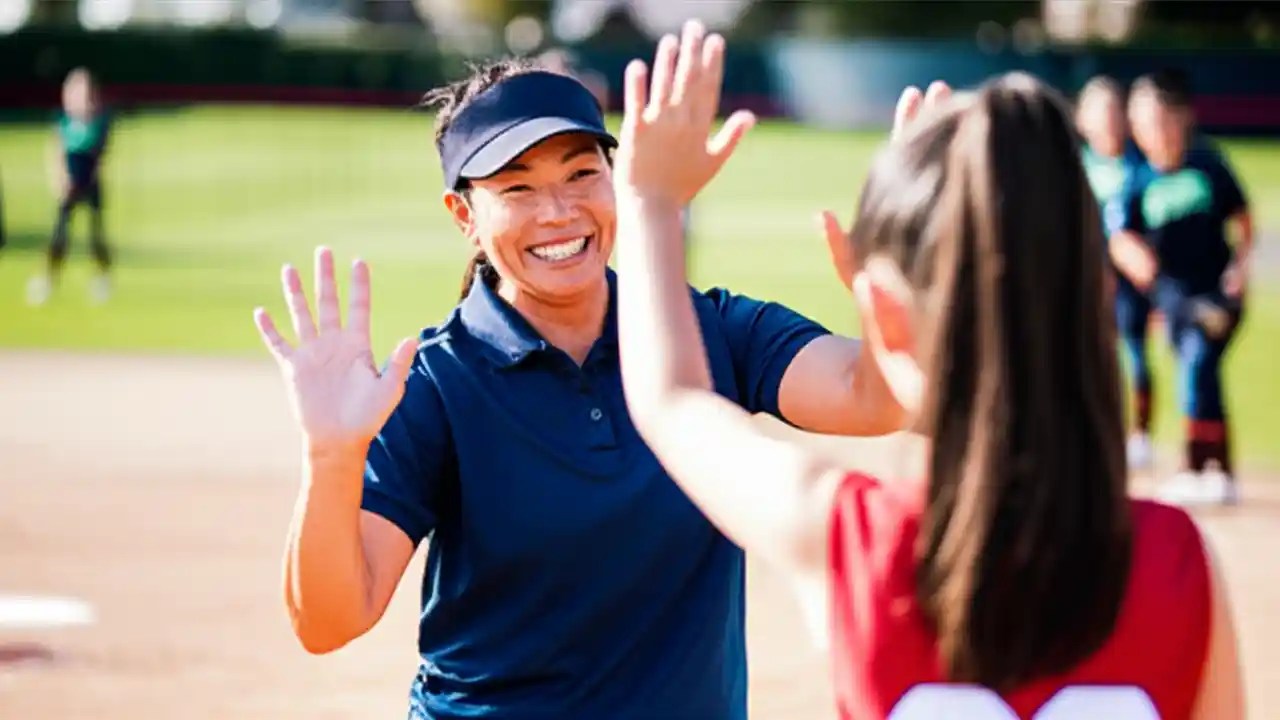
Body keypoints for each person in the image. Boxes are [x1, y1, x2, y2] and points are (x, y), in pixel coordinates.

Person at [252, 30, 904, 719]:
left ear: (617, 180)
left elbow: (869, 398)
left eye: (580, 174)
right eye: (517, 188)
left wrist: (906, 307)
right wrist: (331, 455)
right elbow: (328, 622)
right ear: (464, 216)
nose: (557, 212)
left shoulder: (713, 331)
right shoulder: (436, 384)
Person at [612, 36, 1244, 720]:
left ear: (884, 318)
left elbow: (669, 399)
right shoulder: (1180, 564)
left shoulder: (850, 540)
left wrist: (650, 201)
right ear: (1094, 296)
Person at [1111, 70, 1254, 506]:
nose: (1154, 131)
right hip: (1174, 300)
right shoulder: (1137, 179)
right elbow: (1121, 237)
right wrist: (1144, 270)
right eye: (1142, 122)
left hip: (1215, 295)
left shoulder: (1207, 164)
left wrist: (1240, 270)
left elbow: (1243, 219)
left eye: (1160, 119)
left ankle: (1197, 467)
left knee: (1196, 366)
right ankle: (1221, 472)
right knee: (1201, 372)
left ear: (1181, 119)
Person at [1077, 75, 1155, 469]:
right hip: (1084, 280)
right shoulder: (1073, 166)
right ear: (1082, 119)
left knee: (1133, 355)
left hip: (1128, 284)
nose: (1109, 121)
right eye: (1100, 112)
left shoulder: (1137, 167)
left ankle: (1140, 436)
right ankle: (1090, 432)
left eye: (1114, 112)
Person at [28, 67, 114, 306]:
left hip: (90, 179)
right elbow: (57, 149)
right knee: (60, 235)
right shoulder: (63, 118)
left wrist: (91, 177)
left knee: (96, 235)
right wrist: (61, 178)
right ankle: (48, 279)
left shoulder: (101, 118)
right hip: (69, 181)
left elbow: (101, 151)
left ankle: (102, 278)